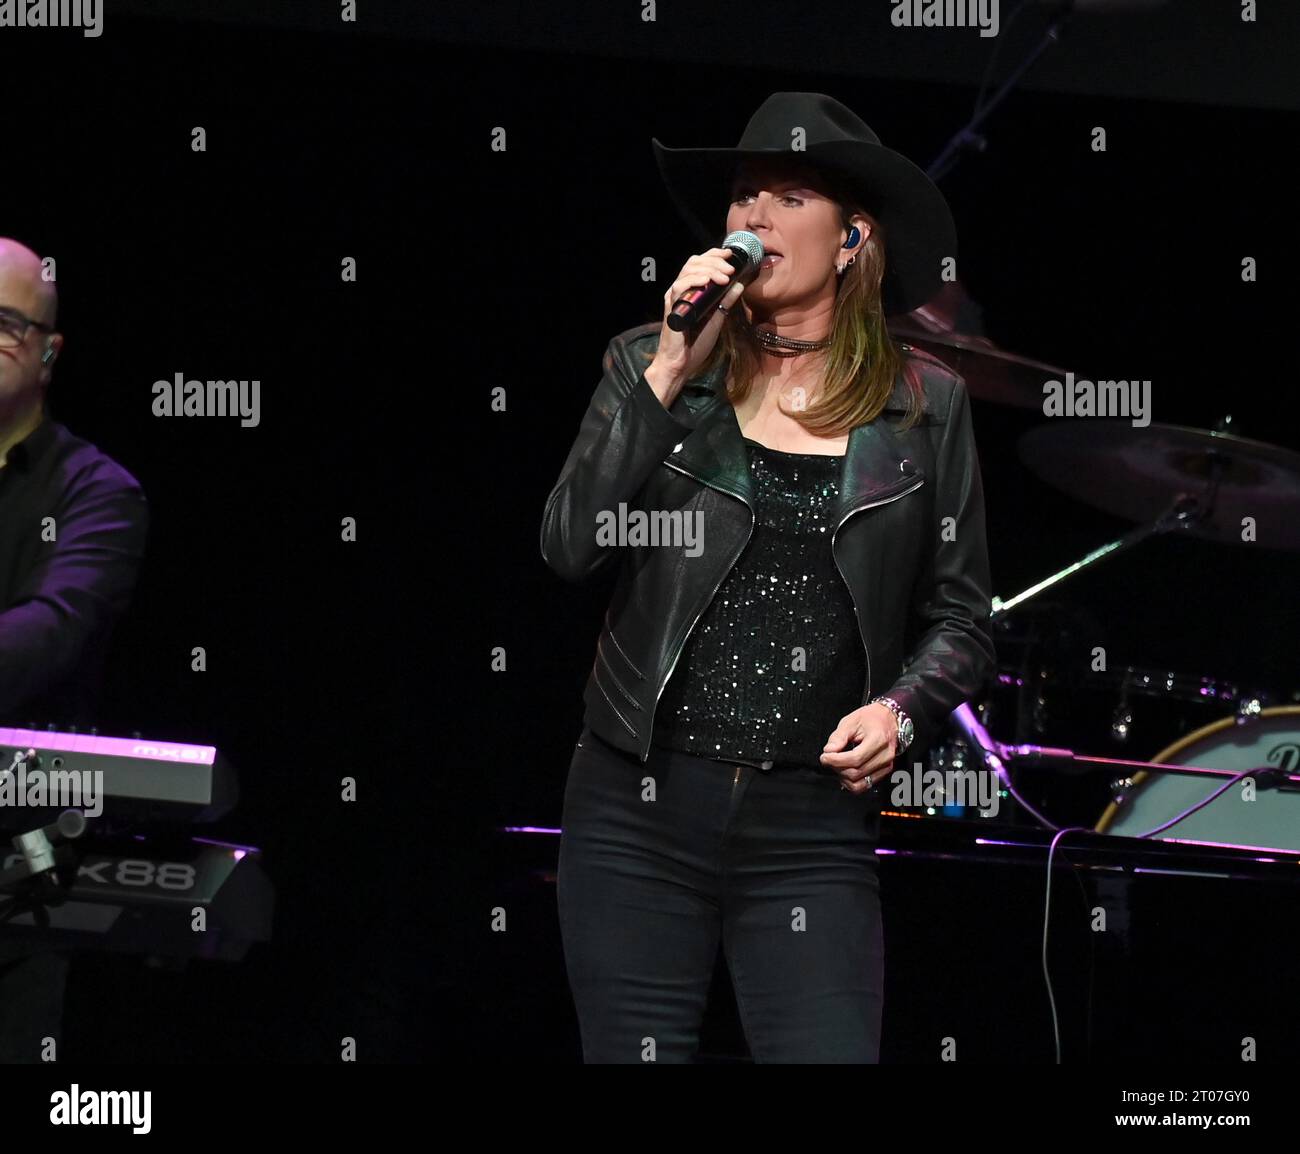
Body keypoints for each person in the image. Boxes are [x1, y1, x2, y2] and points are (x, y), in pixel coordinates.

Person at [540, 92, 995, 1063]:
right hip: (638, 801)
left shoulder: (926, 406)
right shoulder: (646, 364)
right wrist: (667, 371)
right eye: (743, 196)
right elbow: (569, 543)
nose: (752, 217)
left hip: (809, 823)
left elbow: (963, 618)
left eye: (789, 196)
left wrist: (905, 710)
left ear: (849, 239)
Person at [0, 237, 149, 1061]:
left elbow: (53, 628)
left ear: (49, 353)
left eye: (3, 324)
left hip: (22, 875)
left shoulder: (98, 492)